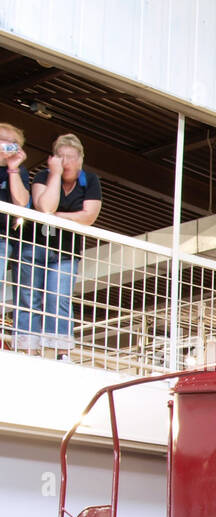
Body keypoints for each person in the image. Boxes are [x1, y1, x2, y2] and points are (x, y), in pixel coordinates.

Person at [16, 133, 101, 357]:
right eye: (61, 157)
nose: (66, 162)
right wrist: (55, 175)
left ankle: (61, 352)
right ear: (53, 159)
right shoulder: (43, 176)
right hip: (33, 246)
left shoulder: (89, 180)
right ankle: (27, 349)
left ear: (81, 159)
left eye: (72, 157)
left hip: (66, 251)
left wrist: (57, 215)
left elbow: (89, 216)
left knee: (58, 298)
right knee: (29, 297)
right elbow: (44, 206)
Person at [0, 123, 31, 331]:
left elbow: (21, 202)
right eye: (3, 140)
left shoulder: (19, 171)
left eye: (13, 144)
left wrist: (13, 168)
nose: (7, 146)